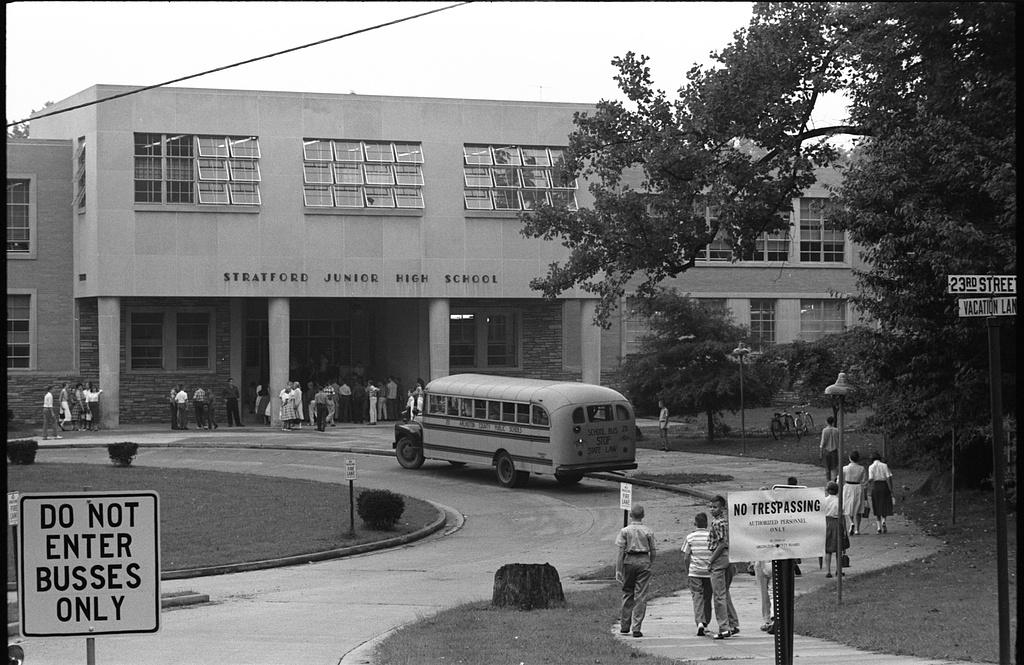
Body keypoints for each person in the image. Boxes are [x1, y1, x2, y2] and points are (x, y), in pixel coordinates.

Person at [615, 504, 656, 638]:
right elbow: (653, 550)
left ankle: (624, 625)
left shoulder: (625, 531)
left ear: (631, 515)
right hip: (644, 560)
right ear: (643, 516)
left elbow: (621, 551)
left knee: (628, 592)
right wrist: (650, 562)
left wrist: (618, 569)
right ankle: (637, 627)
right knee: (641, 594)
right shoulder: (648, 531)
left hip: (629, 561)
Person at [706, 494, 739, 639]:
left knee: (718, 595)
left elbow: (722, 543)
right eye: (711, 507)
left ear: (722, 507)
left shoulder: (718, 523)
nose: (712, 509)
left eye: (715, 507)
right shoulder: (726, 521)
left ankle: (724, 628)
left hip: (719, 558)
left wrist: (711, 560)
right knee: (725, 592)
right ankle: (733, 623)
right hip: (729, 557)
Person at [681, 512, 713, 636]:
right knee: (707, 597)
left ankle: (700, 621)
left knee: (697, 596)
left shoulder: (690, 537)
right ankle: (706, 622)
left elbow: (686, 557)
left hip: (695, 572)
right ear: (707, 523)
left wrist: (687, 570)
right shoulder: (711, 536)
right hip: (709, 572)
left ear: (695, 523)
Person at [823, 481, 849, 577]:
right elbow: (843, 517)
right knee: (839, 549)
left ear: (828, 490)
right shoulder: (839, 501)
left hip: (827, 523)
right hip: (837, 523)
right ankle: (838, 570)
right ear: (837, 491)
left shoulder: (824, 501)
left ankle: (828, 571)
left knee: (828, 549)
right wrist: (845, 530)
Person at [868, 451, 895, 534]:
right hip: (884, 485)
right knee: (884, 504)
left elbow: (871, 478)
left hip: (876, 486)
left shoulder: (871, 467)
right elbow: (889, 477)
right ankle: (884, 520)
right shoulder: (884, 465)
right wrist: (891, 489)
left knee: (876, 505)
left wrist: (868, 484)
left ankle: (878, 526)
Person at [842, 450, 867, 535]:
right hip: (858, 487)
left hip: (848, 487)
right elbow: (863, 480)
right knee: (858, 508)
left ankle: (851, 522)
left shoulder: (845, 468)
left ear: (850, 458)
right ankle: (858, 529)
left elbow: (840, 479)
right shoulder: (862, 468)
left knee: (847, 506)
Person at [819, 416, 840, 481]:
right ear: (833, 422)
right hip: (834, 450)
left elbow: (823, 442)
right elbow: (838, 441)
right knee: (834, 468)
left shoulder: (825, 430)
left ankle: (828, 481)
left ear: (827, 422)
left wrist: (821, 452)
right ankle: (835, 481)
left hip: (827, 451)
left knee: (827, 468)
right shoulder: (836, 430)